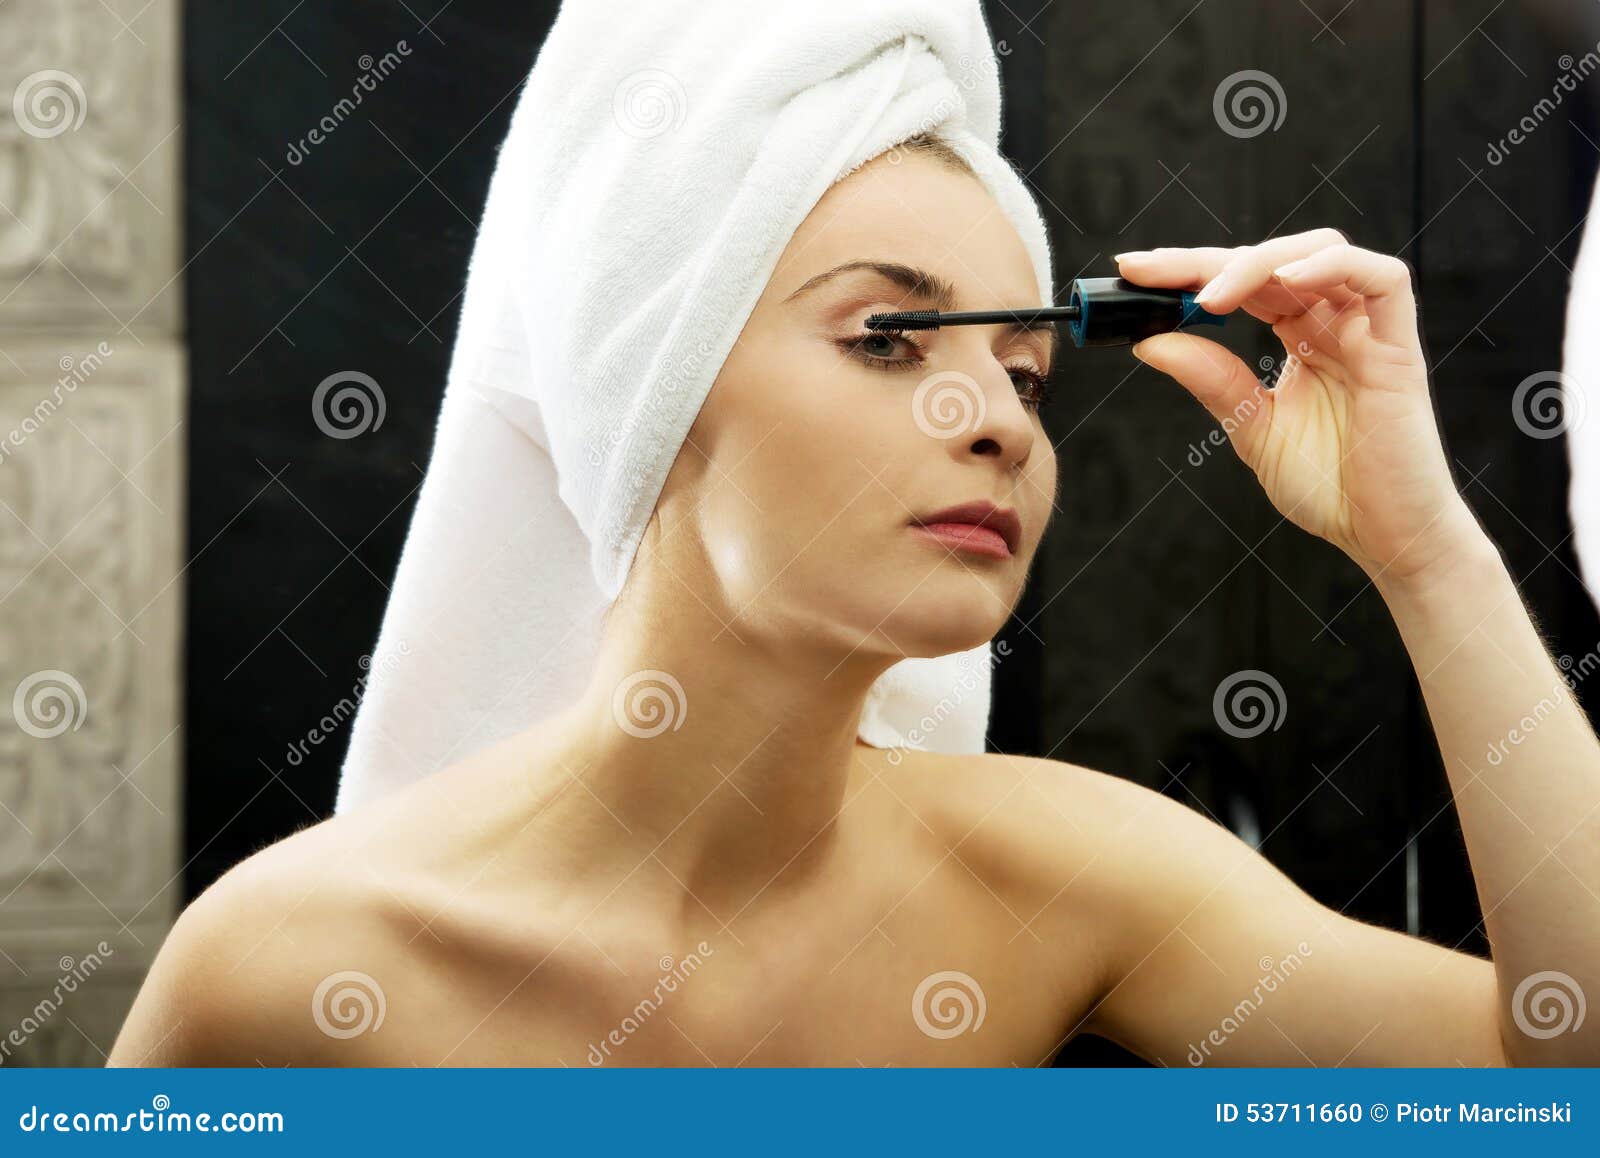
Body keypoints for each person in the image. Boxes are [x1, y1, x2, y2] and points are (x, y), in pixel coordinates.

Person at [109, 136, 1600, 1068]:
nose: (1004, 423)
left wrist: (1425, 547)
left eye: (1027, 378)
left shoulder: (1064, 880)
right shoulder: (286, 975)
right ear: (655, 390)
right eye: (888, 337)